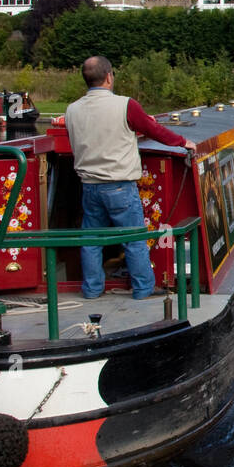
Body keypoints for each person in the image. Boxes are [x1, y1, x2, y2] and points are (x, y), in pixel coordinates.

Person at [65, 55, 196, 300]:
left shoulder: (72, 110)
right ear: (109, 77)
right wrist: (182, 142)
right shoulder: (126, 105)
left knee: (91, 240)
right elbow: (153, 129)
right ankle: (143, 289)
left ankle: (92, 290)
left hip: (89, 186)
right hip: (119, 186)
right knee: (134, 238)